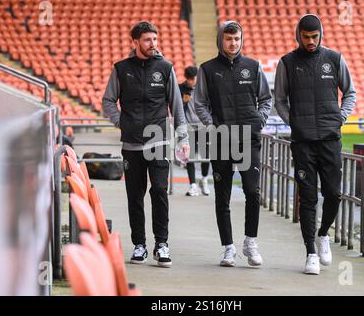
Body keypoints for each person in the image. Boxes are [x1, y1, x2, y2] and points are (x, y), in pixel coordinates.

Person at [102, 21, 190, 268]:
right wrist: (123, 123)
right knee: (135, 196)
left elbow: (177, 106)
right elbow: (108, 101)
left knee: (160, 192)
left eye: (155, 39)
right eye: (148, 40)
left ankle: (161, 244)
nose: (153, 44)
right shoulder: (121, 69)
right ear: (136, 42)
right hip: (131, 144)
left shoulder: (165, 68)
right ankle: (139, 244)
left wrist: (182, 138)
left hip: (159, 142)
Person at [274, 14, 356, 275]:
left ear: (321, 35)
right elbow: (279, 100)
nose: (310, 41)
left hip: (330, 140)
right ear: (298, 35)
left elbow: (350, 92)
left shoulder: (334, 59)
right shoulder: (287, 63)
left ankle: (323, 235)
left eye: (314, 37)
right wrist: (293, 123)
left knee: (333, 194)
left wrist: (340, 117)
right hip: (303, 142)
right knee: (307, 198)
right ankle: (310, 252)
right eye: (305, 37)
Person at [194, 21, 272, 267]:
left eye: (237, 39)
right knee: (222, 197)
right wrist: (212, 126)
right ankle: (228, 248)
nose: (233, 43)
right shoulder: (207, 69)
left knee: (252, 192)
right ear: (221, 40)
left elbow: (265, 99)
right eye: (228, 39)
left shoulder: (253, 66)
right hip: (221, 141)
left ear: (241, 40)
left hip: (249, 139)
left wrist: (259, 120)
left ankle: (251, 242)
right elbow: (199, 103)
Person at [179, 66, 211, 196]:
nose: (191, 82)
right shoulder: (181, 89)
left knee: (205, 156)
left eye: (193, 79)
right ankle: (192, 185)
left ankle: (204, 180)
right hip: (189, 127)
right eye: (189, 79)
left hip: (203, 126)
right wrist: (183, 101)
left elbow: (210, 105)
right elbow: (176, 107)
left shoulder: (203, 88)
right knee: (189, 156)